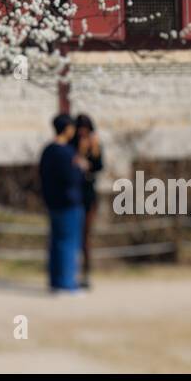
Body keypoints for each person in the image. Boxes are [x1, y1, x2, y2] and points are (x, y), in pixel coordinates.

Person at [38, 113, 83, 294]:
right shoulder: (66, 152)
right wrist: (81, 168)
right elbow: (73, 177)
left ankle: (55, 281)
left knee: (56, 242)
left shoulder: (48, 150)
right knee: (68, 243)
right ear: (67, 129)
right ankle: (66, 283)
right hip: (68, 202)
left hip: (52, 201)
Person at [75, 113, 105, 289]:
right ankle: (73, 271)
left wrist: (92, 152)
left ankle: (86, 272)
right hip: (74, 194)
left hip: (88, 194)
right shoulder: (72, 145)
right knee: (75, 235)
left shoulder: (95, 145)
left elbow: (99, 166)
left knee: (86, 235)